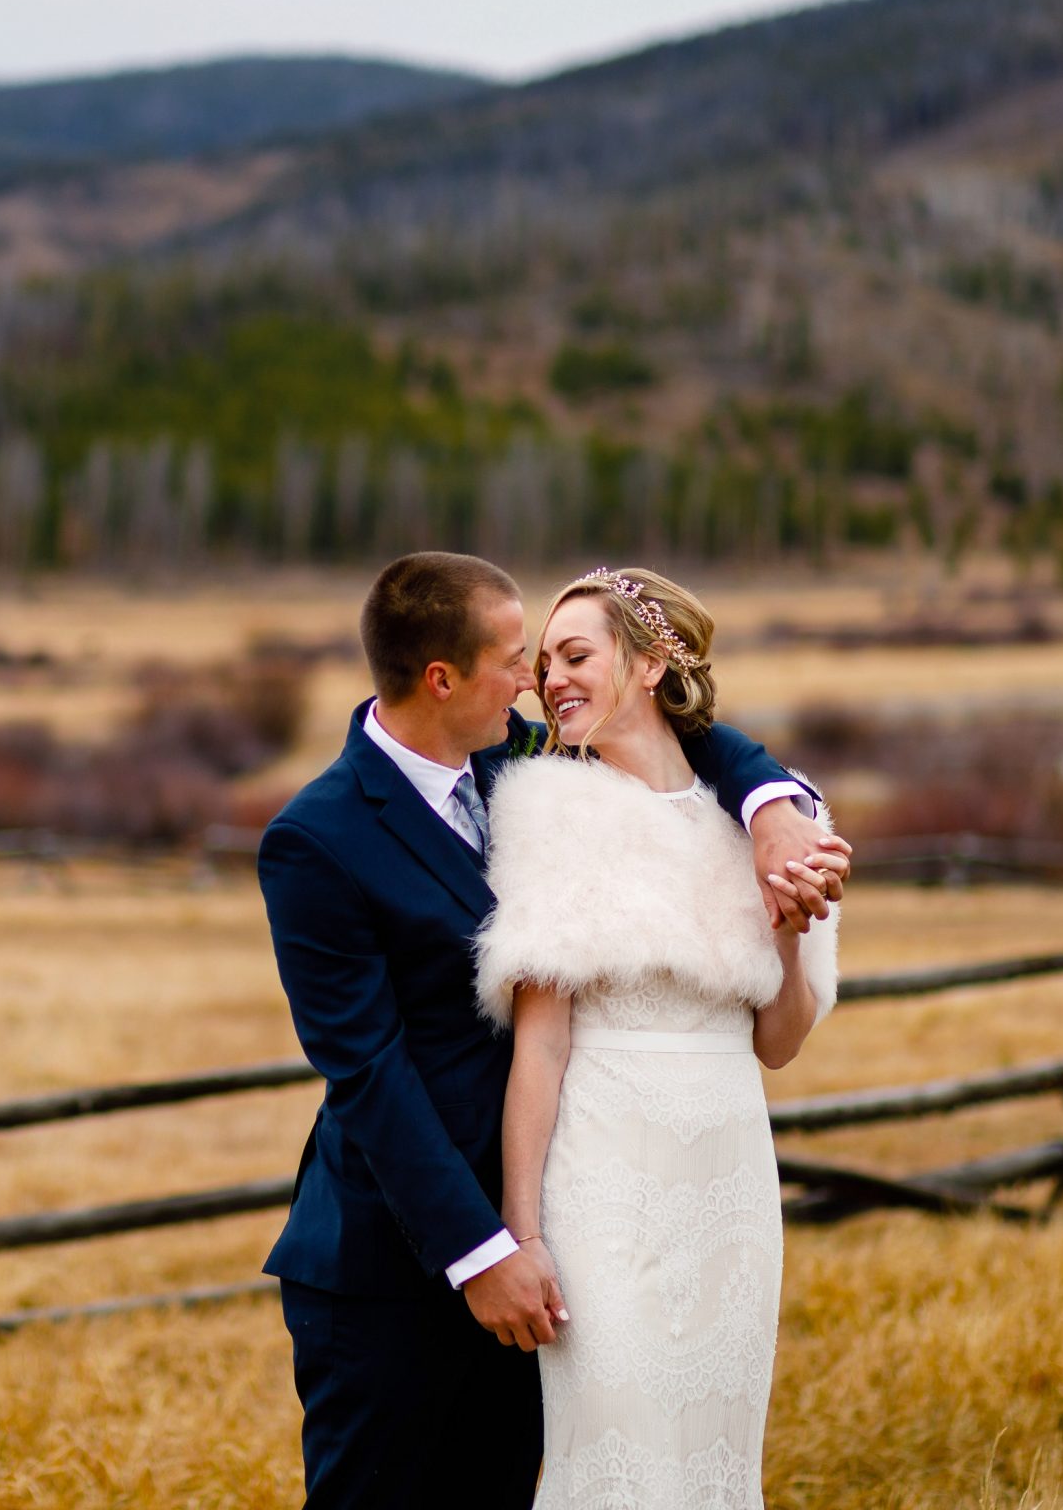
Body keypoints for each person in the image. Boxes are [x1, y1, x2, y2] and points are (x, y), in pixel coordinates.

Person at [258, 552, 850, 1509]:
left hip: (563, 1231)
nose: (534, 682)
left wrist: (771, 806)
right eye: (513, 660)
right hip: (399, 1258)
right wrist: (487, 1250)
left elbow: (683, 737)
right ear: (441, 680)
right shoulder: (316, 838)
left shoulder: (516, 761)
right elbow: (367, 1073)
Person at [475, 565, 840, 1508]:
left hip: (728, 1187)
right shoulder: (550, 809)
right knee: (619, 1449)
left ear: (650, 665)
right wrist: (521, 1229)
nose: (550, 679)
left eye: (576, 655)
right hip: (605, 1186)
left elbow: (780, 1042)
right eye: (544, 660)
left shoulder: (769, 823)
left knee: (715, 1452)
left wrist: (788, 939)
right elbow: (541, 1051)